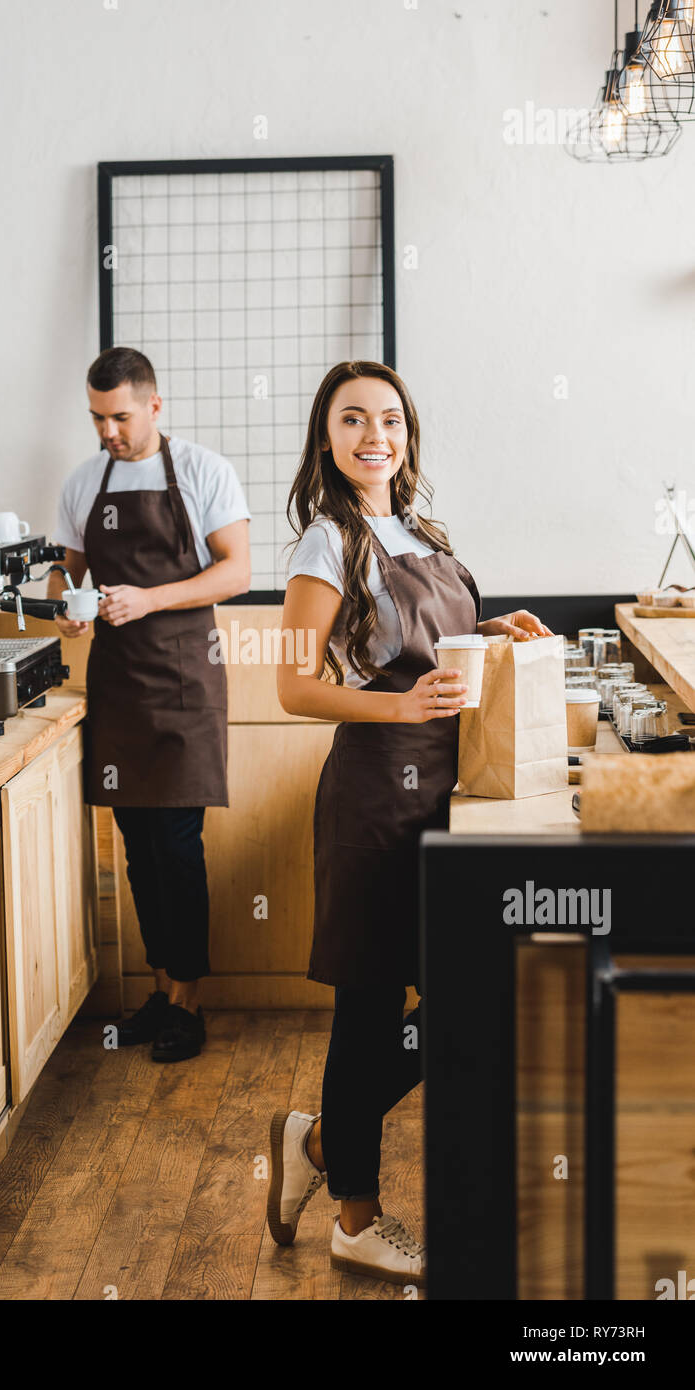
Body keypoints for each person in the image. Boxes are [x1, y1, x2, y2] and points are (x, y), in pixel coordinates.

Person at [265, 360, 552, 1284]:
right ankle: (354, 1213)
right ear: (326, 438)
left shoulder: (421, 530)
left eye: (387, 419)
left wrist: (496, 628)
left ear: (407, 434)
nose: (372, 435)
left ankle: (318, 1145)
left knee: (466, 997)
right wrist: (397, 708)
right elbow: (291, 685)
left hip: (444, 792)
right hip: (373, 801)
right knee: (370, 1006)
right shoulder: (325, 543)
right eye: (351, 420)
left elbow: (437, 651)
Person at [51, 347, 251, 1062]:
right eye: (97, 418)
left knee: (175, 844)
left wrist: (149, 598)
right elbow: (64, 574)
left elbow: (238, 569)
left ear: (154, 406)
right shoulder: (84, 482)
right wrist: (64, 610)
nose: (108, 431)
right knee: (138, 849)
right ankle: (163, 991)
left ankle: (190, 1004)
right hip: (118, 682)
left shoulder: (201, 471)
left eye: (120, 417)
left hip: (185, 682)